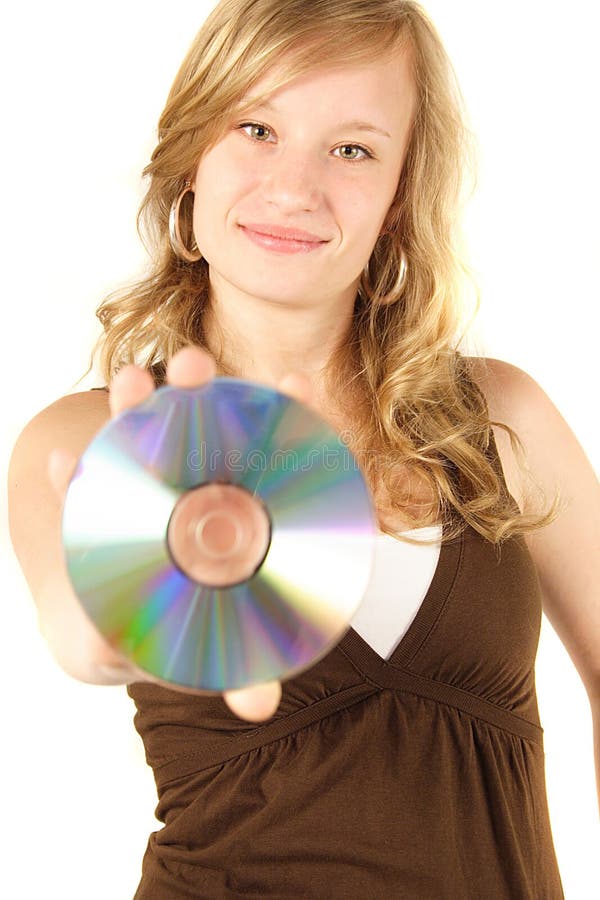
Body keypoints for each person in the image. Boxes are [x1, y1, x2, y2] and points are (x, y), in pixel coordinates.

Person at [7, 0, 599, 897]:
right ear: (190, 162)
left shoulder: (503, 417)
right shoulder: (99, 439)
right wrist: (137, 606)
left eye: (353, 148)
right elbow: (82, 640)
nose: (295, 186)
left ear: (399, 194)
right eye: (256, 127)